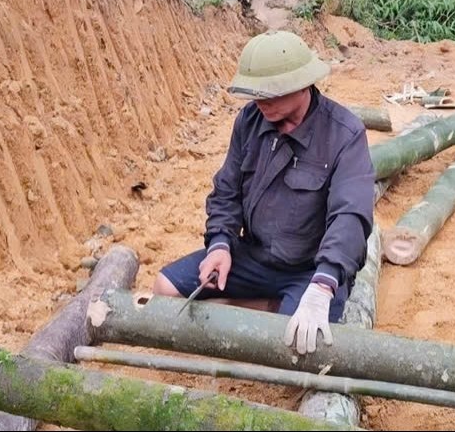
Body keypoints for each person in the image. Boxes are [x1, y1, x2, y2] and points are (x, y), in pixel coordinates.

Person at [152, 30, 375, 355]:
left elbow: (350, 216)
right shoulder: (250, 120)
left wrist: (324, 283)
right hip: (254, 258)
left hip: (308, 270)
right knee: (164, 289)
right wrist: (220, 245)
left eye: (270, 93)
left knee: (294, 348)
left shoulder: (344, 134)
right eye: (255, 94)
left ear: (302, 84)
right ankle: (266, 304)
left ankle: (274, 306)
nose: (260, 102)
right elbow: (227, 191)